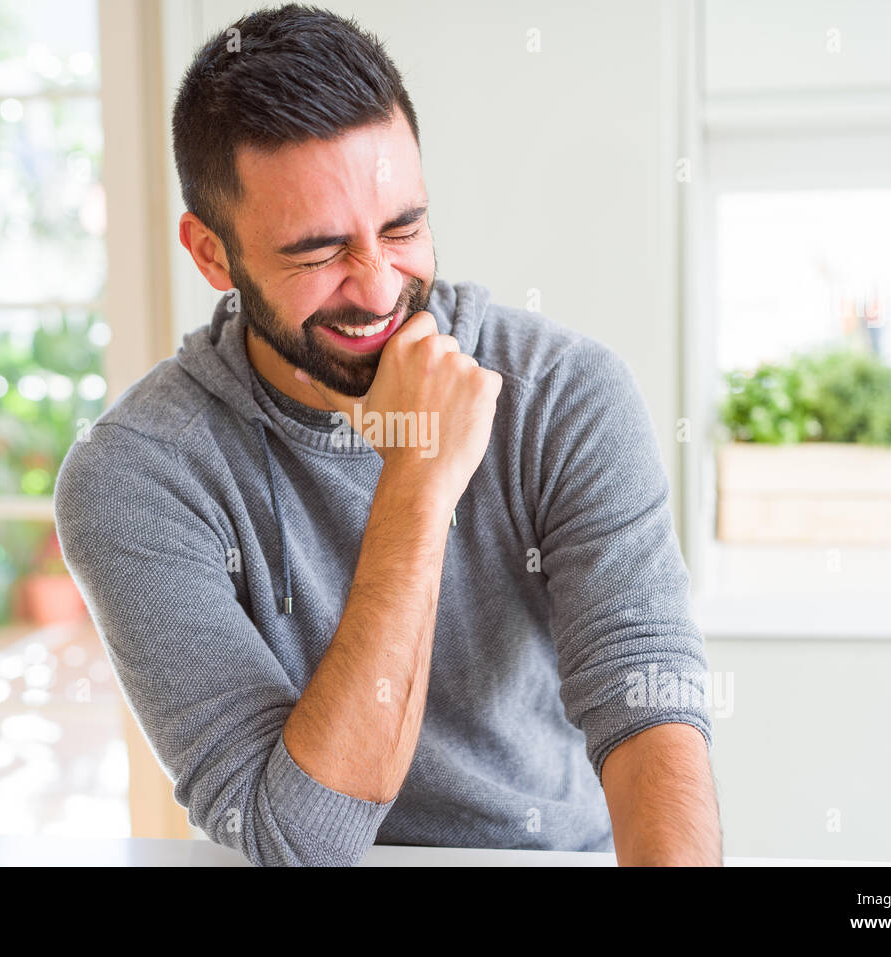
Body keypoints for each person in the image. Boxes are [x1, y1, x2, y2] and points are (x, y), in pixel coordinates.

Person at [54, 3, 721, 866]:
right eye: (319, 251)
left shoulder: (563, 392)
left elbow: (646, 699)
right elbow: (299, 842)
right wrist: (417, 474)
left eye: (403, 228)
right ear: (213, 255)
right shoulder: (136, 476)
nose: (377, 289)